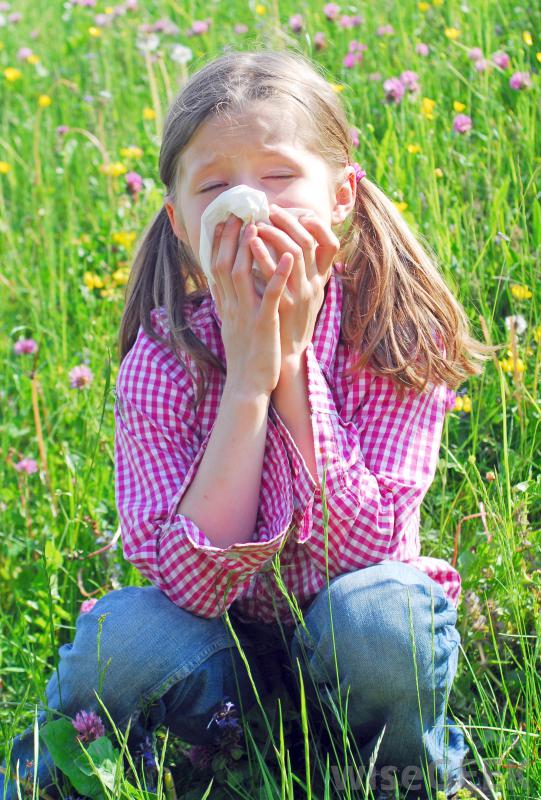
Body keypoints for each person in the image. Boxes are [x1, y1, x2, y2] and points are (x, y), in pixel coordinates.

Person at [1, 49, 499, 799]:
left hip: (353, 646)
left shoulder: (393, 336)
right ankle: (65, 777)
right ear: (179, 222)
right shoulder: (161, 362)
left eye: (277, 177)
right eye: (214, 186)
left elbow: (360, 552)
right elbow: (189, 592)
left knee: (381, 610)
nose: (249, 205)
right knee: (128, 633)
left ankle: (398, 777)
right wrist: (246, 381)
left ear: (341, 196)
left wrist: (292, 364)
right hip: (217, 657)